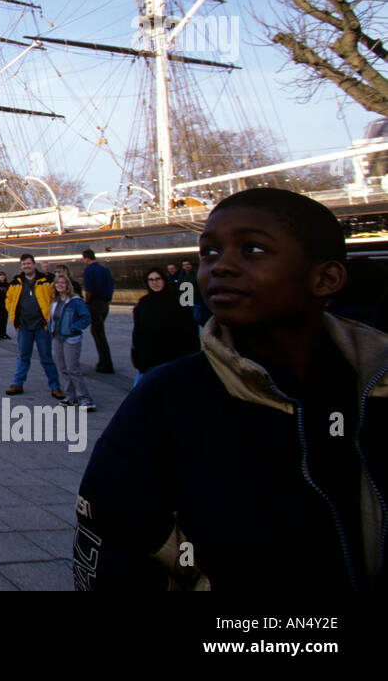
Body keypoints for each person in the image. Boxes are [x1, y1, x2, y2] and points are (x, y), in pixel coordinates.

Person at [75, 188, 385, 591]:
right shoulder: (166, 399)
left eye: (253, 249)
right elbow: (116, 540)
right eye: (209, 253)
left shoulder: (376, 391)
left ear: (325, 278)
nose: (220, 267)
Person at [4, 253, 65, 399]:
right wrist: (13, 314)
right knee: (23, 356)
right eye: (24, 264)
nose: (26, 266)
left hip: (42, 326)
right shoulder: (16, 282)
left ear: (34, 264)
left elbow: (55, 297)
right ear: (21, 266)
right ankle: (17, 383)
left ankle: (55, 386)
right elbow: (9, 299)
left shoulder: (46, 281)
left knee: (46, 357)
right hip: (24, 326)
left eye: (29, 264)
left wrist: (50, 316)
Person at [129, 267, 201, 385]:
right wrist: (137, 356)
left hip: (174, 359)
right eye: (151, 280)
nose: (154, 282)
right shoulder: (143, 302)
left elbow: (190, 330)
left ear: (164, 280)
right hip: (150, 360)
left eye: (158, 279)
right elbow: (138, 332)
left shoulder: (178, 300)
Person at [49, 266, 94, 410]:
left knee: (73, 369)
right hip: (58, 338)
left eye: (63, 283)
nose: (60, 285)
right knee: (62, 368)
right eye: (57, 283)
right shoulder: (56, 301)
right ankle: (70, 397)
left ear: (68, 285)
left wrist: (74, 327)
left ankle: (85, 398)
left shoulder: (76, 301)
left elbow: (86, 318)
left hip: (71, 339)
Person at [81, 249, 115, 373]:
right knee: (99, 332)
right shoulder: (105, 269)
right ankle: (103, 361)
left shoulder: (89, 270)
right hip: (105, 304)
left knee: (98, 334)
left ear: (86, 258)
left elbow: (89, 289)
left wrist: (86, 302)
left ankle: (106, 364)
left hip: (95, 304)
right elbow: (111, 285)